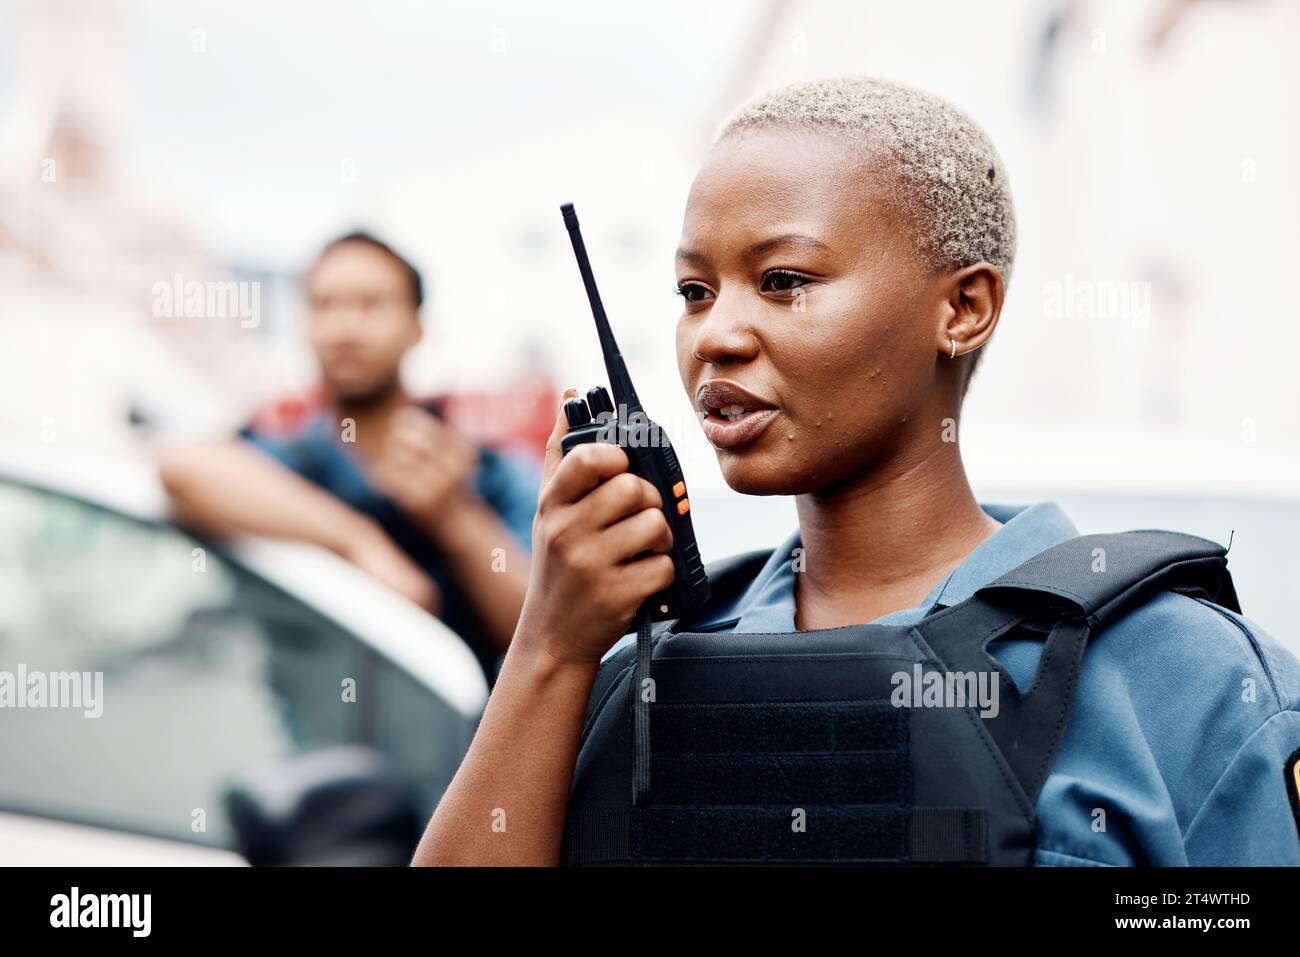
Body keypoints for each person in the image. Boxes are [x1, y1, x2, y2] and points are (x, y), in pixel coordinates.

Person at [410, 76, 1300, 865]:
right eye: (694, 291)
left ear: (964, 306)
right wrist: (549, 647)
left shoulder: (1191, 683)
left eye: (785, 278)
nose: (716, 333)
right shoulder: (620, 677)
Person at [159, 231, 539, 684]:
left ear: (417, 327)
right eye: (324, 305)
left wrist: (456, 518)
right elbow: (182, 469)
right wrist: (356, 541)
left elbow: (542, 631)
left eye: (370, 304)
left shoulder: (489, 471)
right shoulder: (287, 461)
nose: (344, 328)